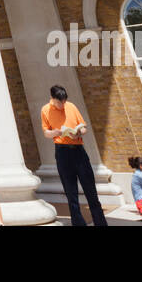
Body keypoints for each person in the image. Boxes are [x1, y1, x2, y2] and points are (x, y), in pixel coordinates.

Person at [40, 85, 107, 226]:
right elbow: (46, 132)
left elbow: (83, 126)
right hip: (62, 152)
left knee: (91, 191)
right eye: (60, 102)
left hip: (78, 151)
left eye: (64, 101)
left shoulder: (71, 106)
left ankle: (101, 223)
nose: (63, 105)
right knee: (71, 194)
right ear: (52, 99)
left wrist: (79, 132)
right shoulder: (45, 110)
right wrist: (56, 132)